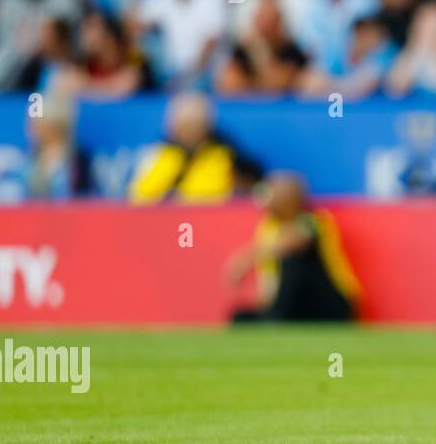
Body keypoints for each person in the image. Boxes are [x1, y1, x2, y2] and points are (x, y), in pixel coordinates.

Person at [226, 173, 360, 323]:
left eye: (271, 192)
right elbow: (270, 279)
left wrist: (248, 258)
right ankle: (276, 318)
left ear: (289, 198)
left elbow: (294, 241)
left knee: (294, 262)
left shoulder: (315, 221)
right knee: (240, 317)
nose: (265, 198)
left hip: (330, 304)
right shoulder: (269, 228)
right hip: (294, 308)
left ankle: (278, 317)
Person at [127, 92, 262, 204]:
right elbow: (139, 196)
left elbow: (220, 196)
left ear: (206, 126)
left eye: (193, 123)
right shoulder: (161, 154)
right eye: (184, 124)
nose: (188, 130)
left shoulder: (225, 155)